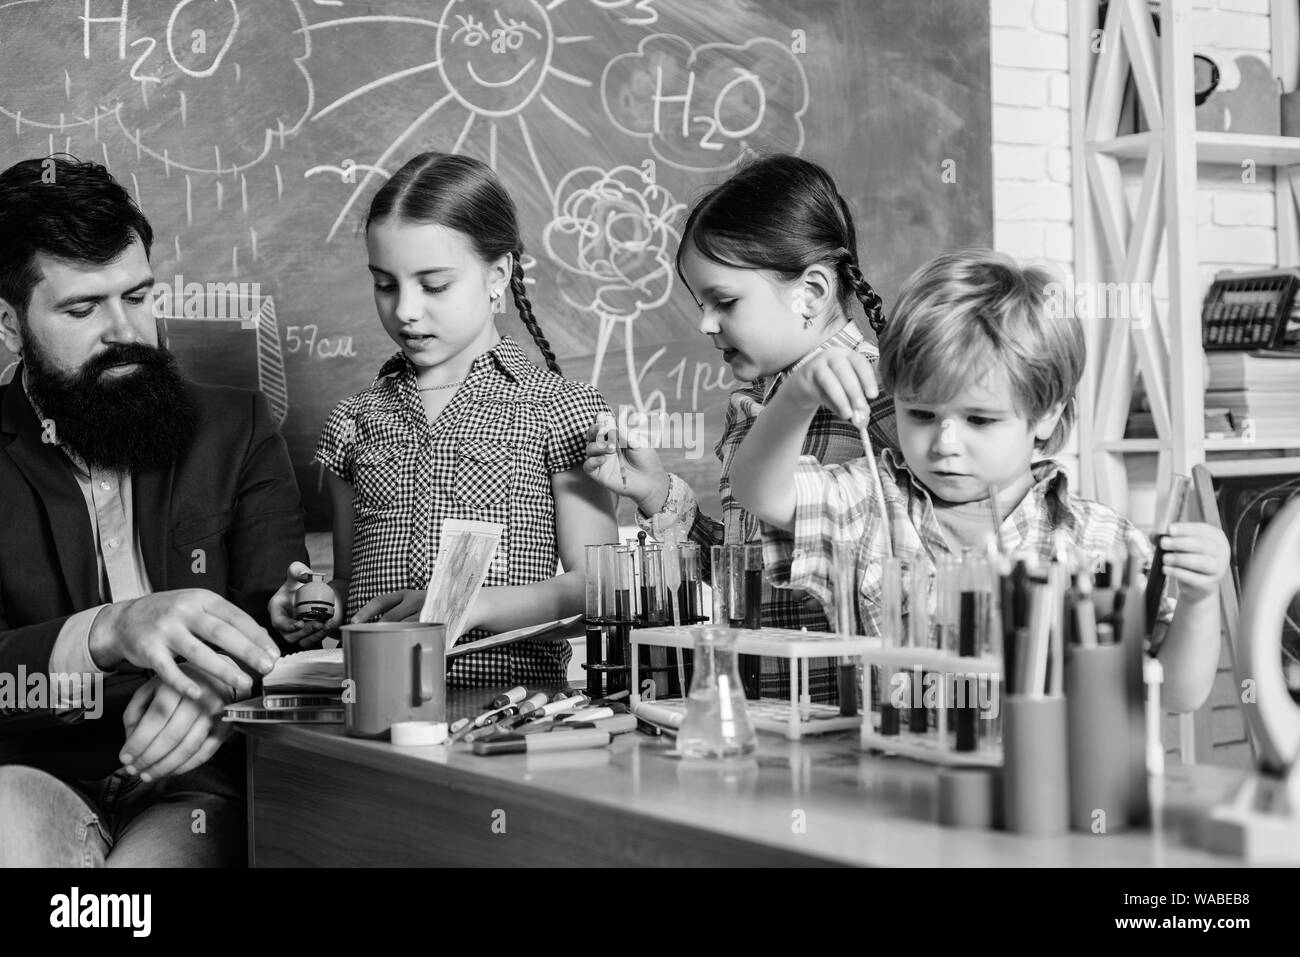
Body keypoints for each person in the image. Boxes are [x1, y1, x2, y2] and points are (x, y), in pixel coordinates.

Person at [731, 248, 1228, 712]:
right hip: (894, 789)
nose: (945, 442)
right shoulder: (868, 503)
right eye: (921, 413)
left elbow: (1177, 694)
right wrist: (797, 395)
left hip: (1047, 792)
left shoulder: (1100, 542)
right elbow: (759, 490)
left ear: (1047, 417)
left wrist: (1202, 600)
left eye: (981, 420)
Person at [0, 156, 307, 866]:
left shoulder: (239, 426)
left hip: (194, 787)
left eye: (138, 296)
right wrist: (109, 629)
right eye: (83, 309)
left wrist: (221, 689)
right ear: (10, 324)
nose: (127, 332)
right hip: (32, 775)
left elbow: (291, 627)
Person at [270, 152, 617, 687]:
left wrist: (466, 604)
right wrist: (317, 603)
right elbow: (348, 581)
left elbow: (599, 586)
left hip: (504, 709)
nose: (406, 310)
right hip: (371, 706)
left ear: (497, 274)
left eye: (433, 286)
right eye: (385, 284)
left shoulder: (559, 410)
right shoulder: (355, 420)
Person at [581, 154, 896, 702]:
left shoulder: (887, 405)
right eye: (702, 303)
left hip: (848, 724)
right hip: (765, 717)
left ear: (814, 293)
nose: (705, 323)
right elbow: (747, 570)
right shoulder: (753, 406)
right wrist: (657, 493)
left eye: (724, 301)